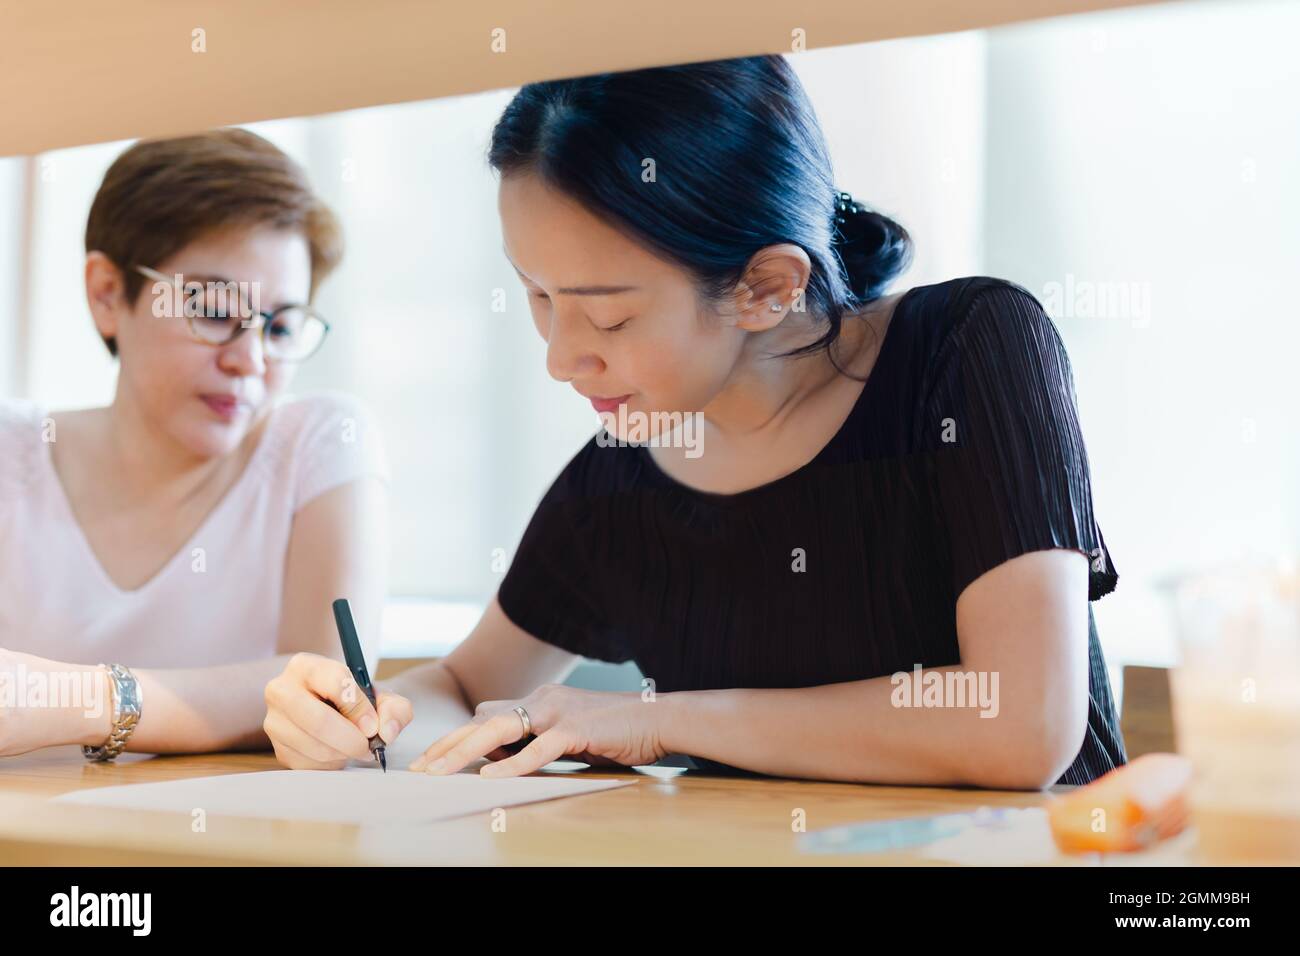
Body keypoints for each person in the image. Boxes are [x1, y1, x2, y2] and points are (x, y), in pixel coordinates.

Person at [264, 56, 1126, 788]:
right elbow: (463, 682)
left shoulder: (969, 348)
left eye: (607, 318)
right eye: (537, 296)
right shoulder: (620, 482)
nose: (561, 359)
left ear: (767, 286)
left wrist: (664, 721)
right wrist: (366, 725)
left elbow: (1022, 724)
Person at [0, 129, 389, 760]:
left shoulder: (319, 443)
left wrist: (76, 699)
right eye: (212, 309)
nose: (251, 360)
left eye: (281, 325)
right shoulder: (10, 452)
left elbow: (330, 693)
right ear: (107, 294)